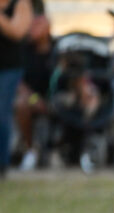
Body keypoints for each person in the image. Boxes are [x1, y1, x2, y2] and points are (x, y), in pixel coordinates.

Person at [13, 5, 51, 170]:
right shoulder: (24, 51)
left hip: (55, 98)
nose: (33, 29)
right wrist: (35, 98)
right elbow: (18, 81)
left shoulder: (57, 50)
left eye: (38, 25)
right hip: (32, 98)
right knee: (22, 103)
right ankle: (30, 150)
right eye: (32, 24)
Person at [0, 0, 31, 178]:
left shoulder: (20, 3)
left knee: (2, 114)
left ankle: (2, 164)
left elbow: (18, 31)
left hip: (9, 69)